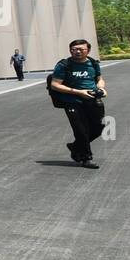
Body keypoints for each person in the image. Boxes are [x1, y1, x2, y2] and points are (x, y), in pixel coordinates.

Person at [50, 40, 107, 169]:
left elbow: (99, 79)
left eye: (81, 49)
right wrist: (78, 92)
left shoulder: (93, 63)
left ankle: (75, 146)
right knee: (81, 131)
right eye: (74, 49)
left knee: (98, 128)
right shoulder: (64, 65)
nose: (77, 51)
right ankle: (86, 158)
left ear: (88, 50)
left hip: (92, 101)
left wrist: (101, 88)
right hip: (72, 102)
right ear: (70, 50)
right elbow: (55, 85)